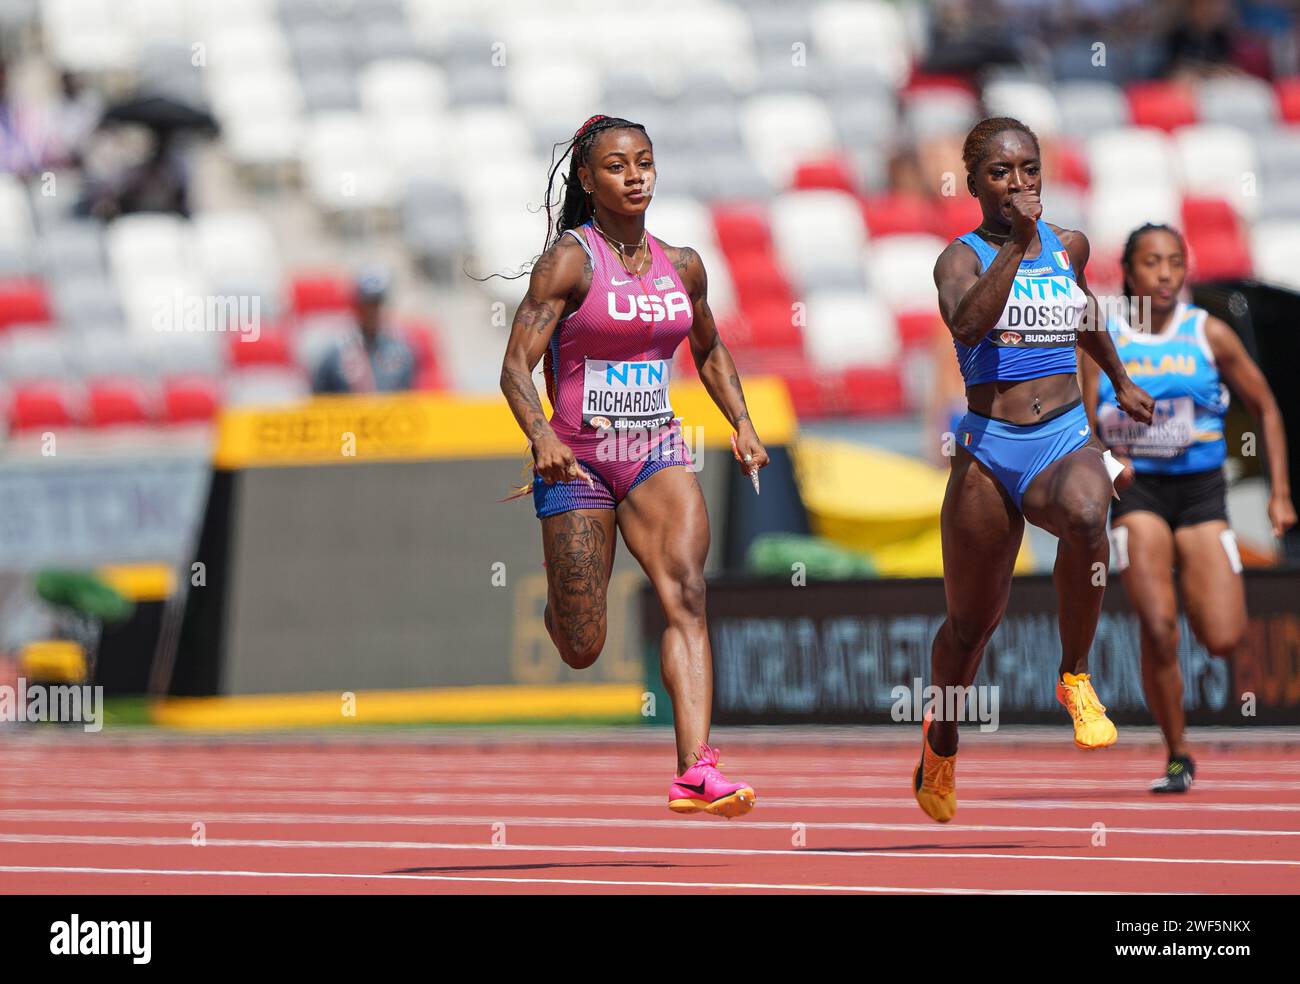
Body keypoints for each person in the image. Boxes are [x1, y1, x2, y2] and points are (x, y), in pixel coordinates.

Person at [497, 115, 768, 817]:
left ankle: (695, 769)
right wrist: (540, 436)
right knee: (583, 646)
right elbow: (514, 368)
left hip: (654, 450)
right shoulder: (570, 260)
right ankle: (564, 603)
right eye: (617, 166)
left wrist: (742, 424)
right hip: (578, 461)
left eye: (644, 162)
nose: (635, 175)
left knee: (687, 593)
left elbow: (708, 350)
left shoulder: (684, 265)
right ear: (588, 180)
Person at [920, 117, 1154, 823]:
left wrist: (1118, 379)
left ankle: (1075, 676)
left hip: (1062, 439)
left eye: (1029, 170)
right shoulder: (957, 259)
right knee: (971, 627)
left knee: (1089, 514)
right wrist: (1017, 247)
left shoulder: (1068, 245)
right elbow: (967, 326)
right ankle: (942, 739)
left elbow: (1083, 313)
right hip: (990, 449)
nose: (1019, 185)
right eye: (1000, 173)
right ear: (973, 183)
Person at [1082, 223, 1295, 792]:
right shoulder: (1104, 337)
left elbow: (1267, 406)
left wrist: (1279, 493)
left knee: (1223, 637)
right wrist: (1110, 464)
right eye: (1152, 262)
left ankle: (1202, 600)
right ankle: (1178, 754)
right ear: (1128, 272)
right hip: (1139, 493)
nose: (1166, 274)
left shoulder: (1210, 334)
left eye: (1176, 262)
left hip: (1201, 494)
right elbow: (1081, 429)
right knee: (1157, 627)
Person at [312, 270, 416, 395]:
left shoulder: (402, 354)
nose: (373, 312)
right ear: (356, 307)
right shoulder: (334, 355)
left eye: (377, 304)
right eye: (367, 305)